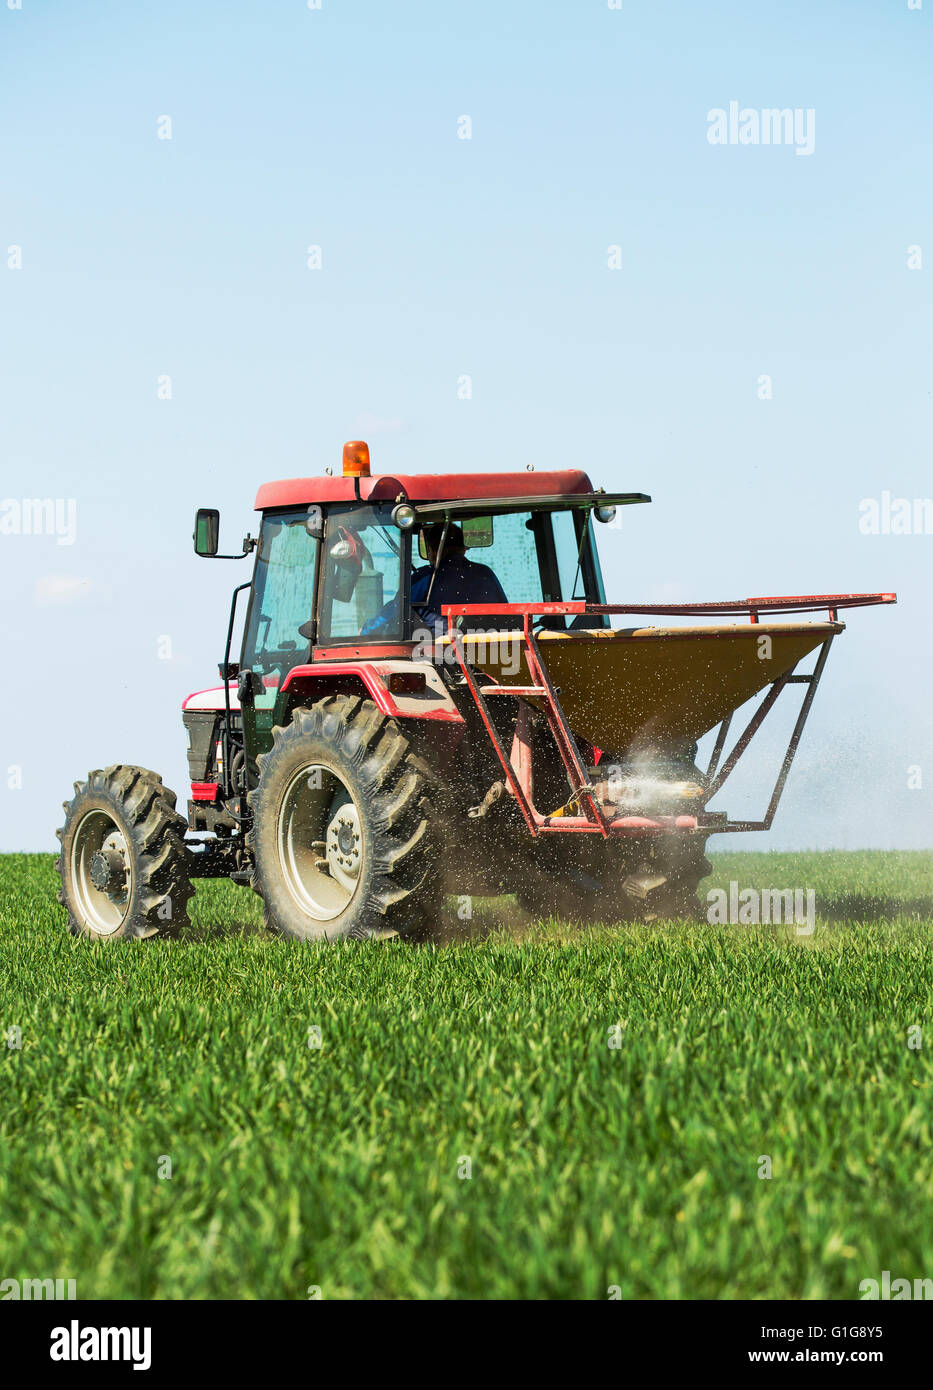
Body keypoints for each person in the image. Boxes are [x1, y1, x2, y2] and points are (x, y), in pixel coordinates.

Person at [361, 523, 508, 637]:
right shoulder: (484, 573)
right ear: (463, 548)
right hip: (490, 653)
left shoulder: (424, 578)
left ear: (431, 551)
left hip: (440, 657)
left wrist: (366, 630)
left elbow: (395, 613)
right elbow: (506, 614)